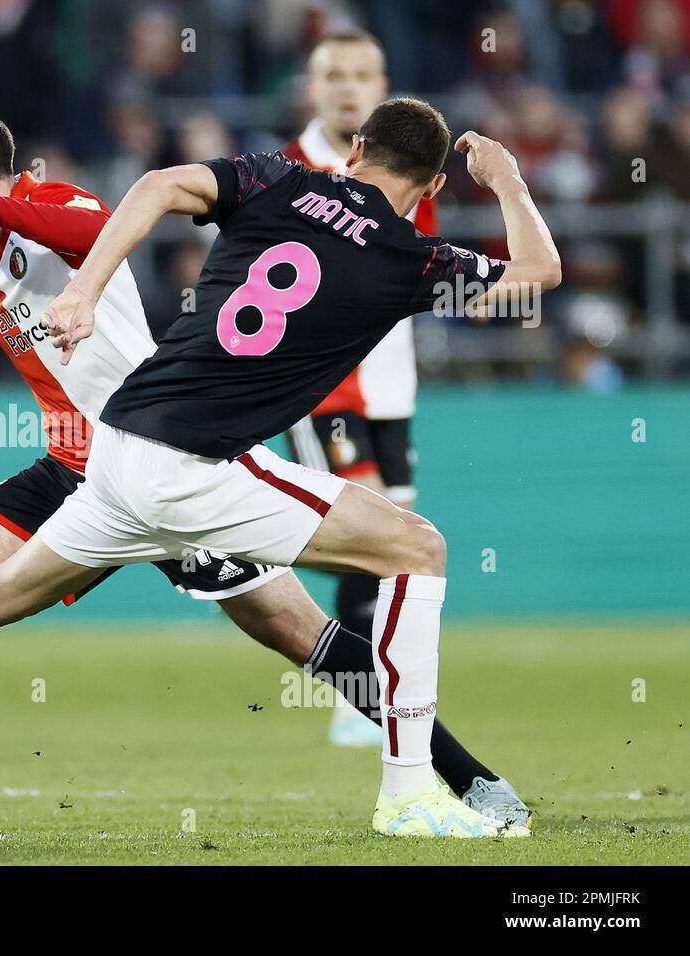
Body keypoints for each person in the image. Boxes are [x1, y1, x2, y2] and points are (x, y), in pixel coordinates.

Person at [0, 98, 559, 837]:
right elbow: (537, 278)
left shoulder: (106, 201)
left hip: (140, 448)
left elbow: (110, 213)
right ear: (432, 185)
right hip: (115, 461)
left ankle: (466, 777)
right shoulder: (405, 255)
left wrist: (65, 273)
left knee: (289, 628)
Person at [281, 29, 436, 749]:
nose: (348, 88)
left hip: (390, 389)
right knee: (365, 533)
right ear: (313, 89)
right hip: (325, 392)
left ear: (383, 88)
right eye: (334, 75)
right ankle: (358, 695)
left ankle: (372, 684)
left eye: (362, 75)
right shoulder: (285, 172)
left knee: (393, 538)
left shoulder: (416, 171)